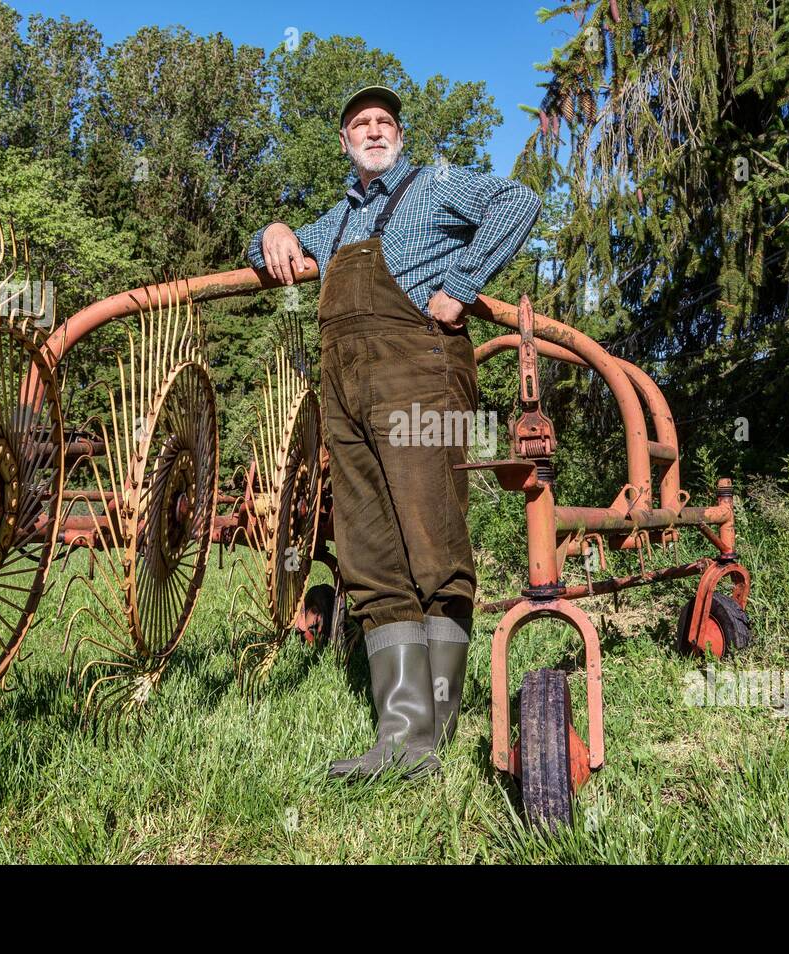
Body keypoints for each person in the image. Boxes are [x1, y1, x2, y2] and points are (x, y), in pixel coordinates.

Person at [247, 84, 541, 778]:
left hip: (418, 376)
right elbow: (269, 256)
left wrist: (463, 282)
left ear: (399, 136)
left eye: (383, 122)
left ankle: (432, 732)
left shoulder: (436, 184)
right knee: (370, 554)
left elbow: (518, 201)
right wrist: (275, 234)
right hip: (345, 393)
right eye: (359, 124)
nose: (373, 131)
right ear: (346, 143)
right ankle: (400, 739)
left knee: (430, 539)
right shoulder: (338, 219)